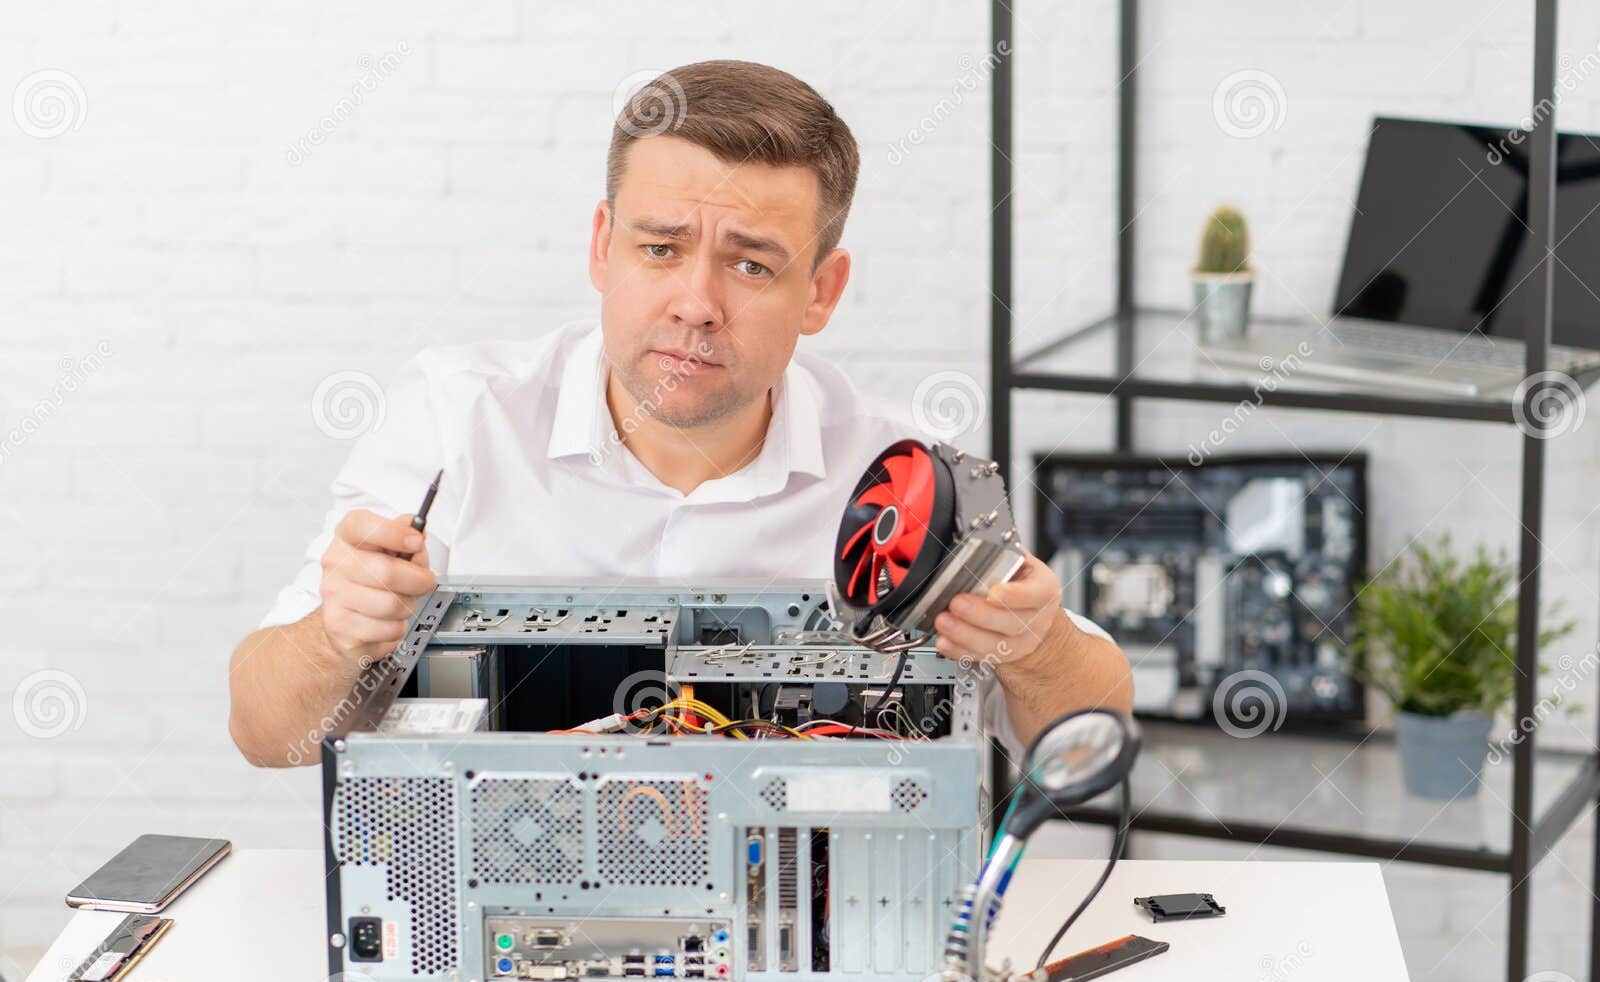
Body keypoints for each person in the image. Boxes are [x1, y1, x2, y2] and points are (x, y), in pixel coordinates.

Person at [228, 59, 1132, 768]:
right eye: (660, 247)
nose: (695, 302)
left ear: (821, 290)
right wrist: (338, 634)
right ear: (602, 246)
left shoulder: (904, 479)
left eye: (750, 265)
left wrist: (1036, 642)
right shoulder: (455, 420)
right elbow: (268, 734)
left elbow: (1090, 740)